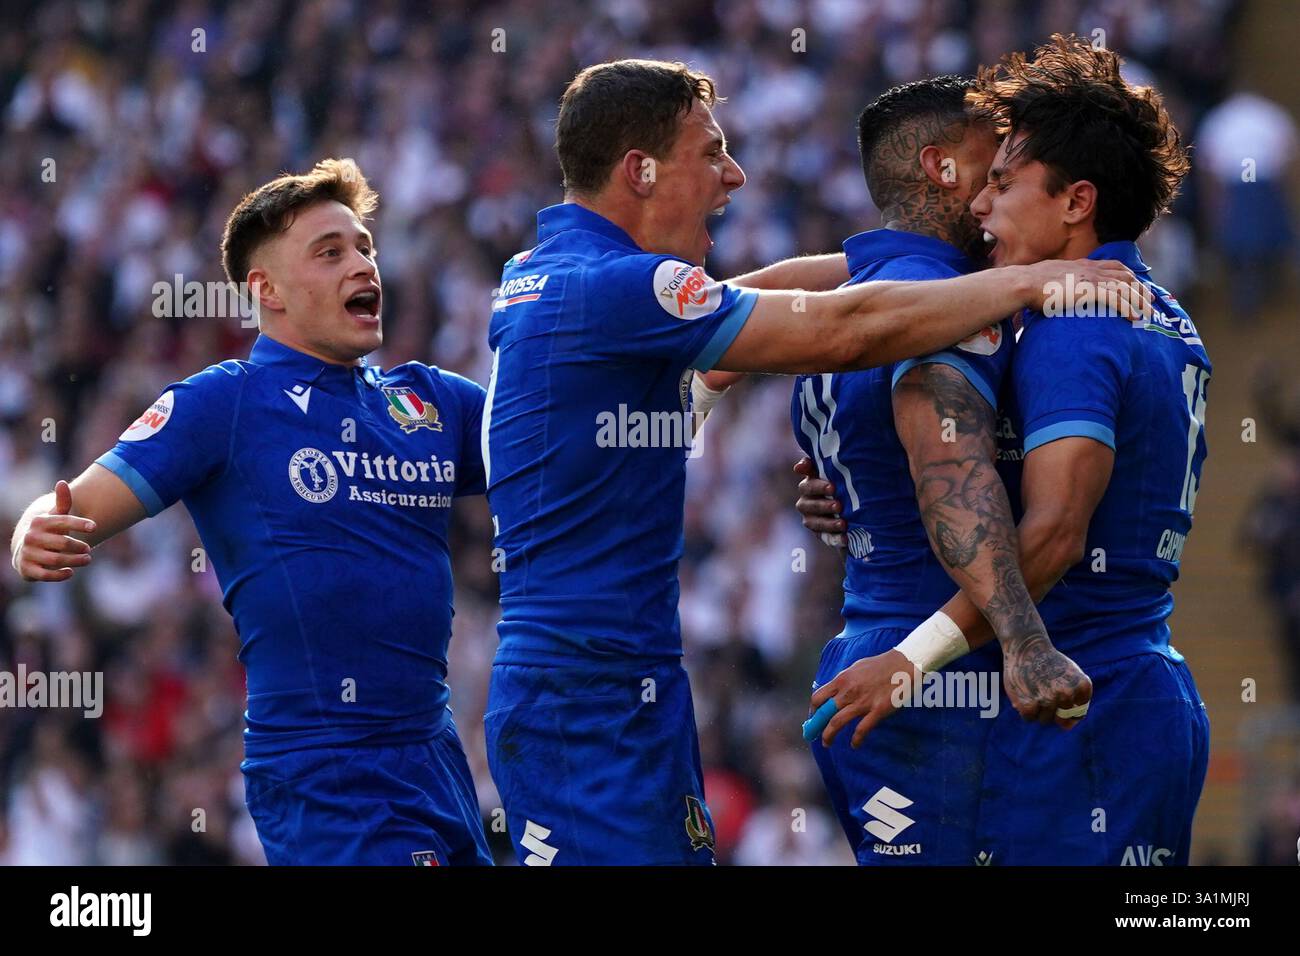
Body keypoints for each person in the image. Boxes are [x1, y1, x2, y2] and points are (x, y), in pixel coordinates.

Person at [480, 57, 1148, 865]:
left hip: (616, 680)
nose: (736, 173)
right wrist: (1032, 279)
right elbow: (845, 329)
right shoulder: (621, 287)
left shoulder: (550, 274)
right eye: (711, 151)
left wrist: (855, 466)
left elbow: (811, 300)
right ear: (641, 170)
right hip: (586, 695)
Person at [10, 159, 494, 866]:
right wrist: (32, 532)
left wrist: (683, 377)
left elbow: (560, 447)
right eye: (330, 253)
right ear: (266, 290)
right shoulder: (223, 404)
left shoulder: (429, 401)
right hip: (326, 770)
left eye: (365, 247)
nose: (362, 265)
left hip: (435, 755)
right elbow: (72, 504)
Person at [800, 36, 1211, 865]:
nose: (982, 206)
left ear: (1075, 202)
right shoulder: (1158, 309)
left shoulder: (1073, 325)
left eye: (1003, 181)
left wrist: (910, 660)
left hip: (1084, 706)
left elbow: (1058, 530)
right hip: (1133, 690)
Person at [790, 75, 1090, 867]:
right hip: (937, 674)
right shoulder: (943, 305)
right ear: (940, 169)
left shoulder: (856, 299)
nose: (1000, 190)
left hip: (870, 649)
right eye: (993, 166)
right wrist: (1026, 643)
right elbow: (949, 475)